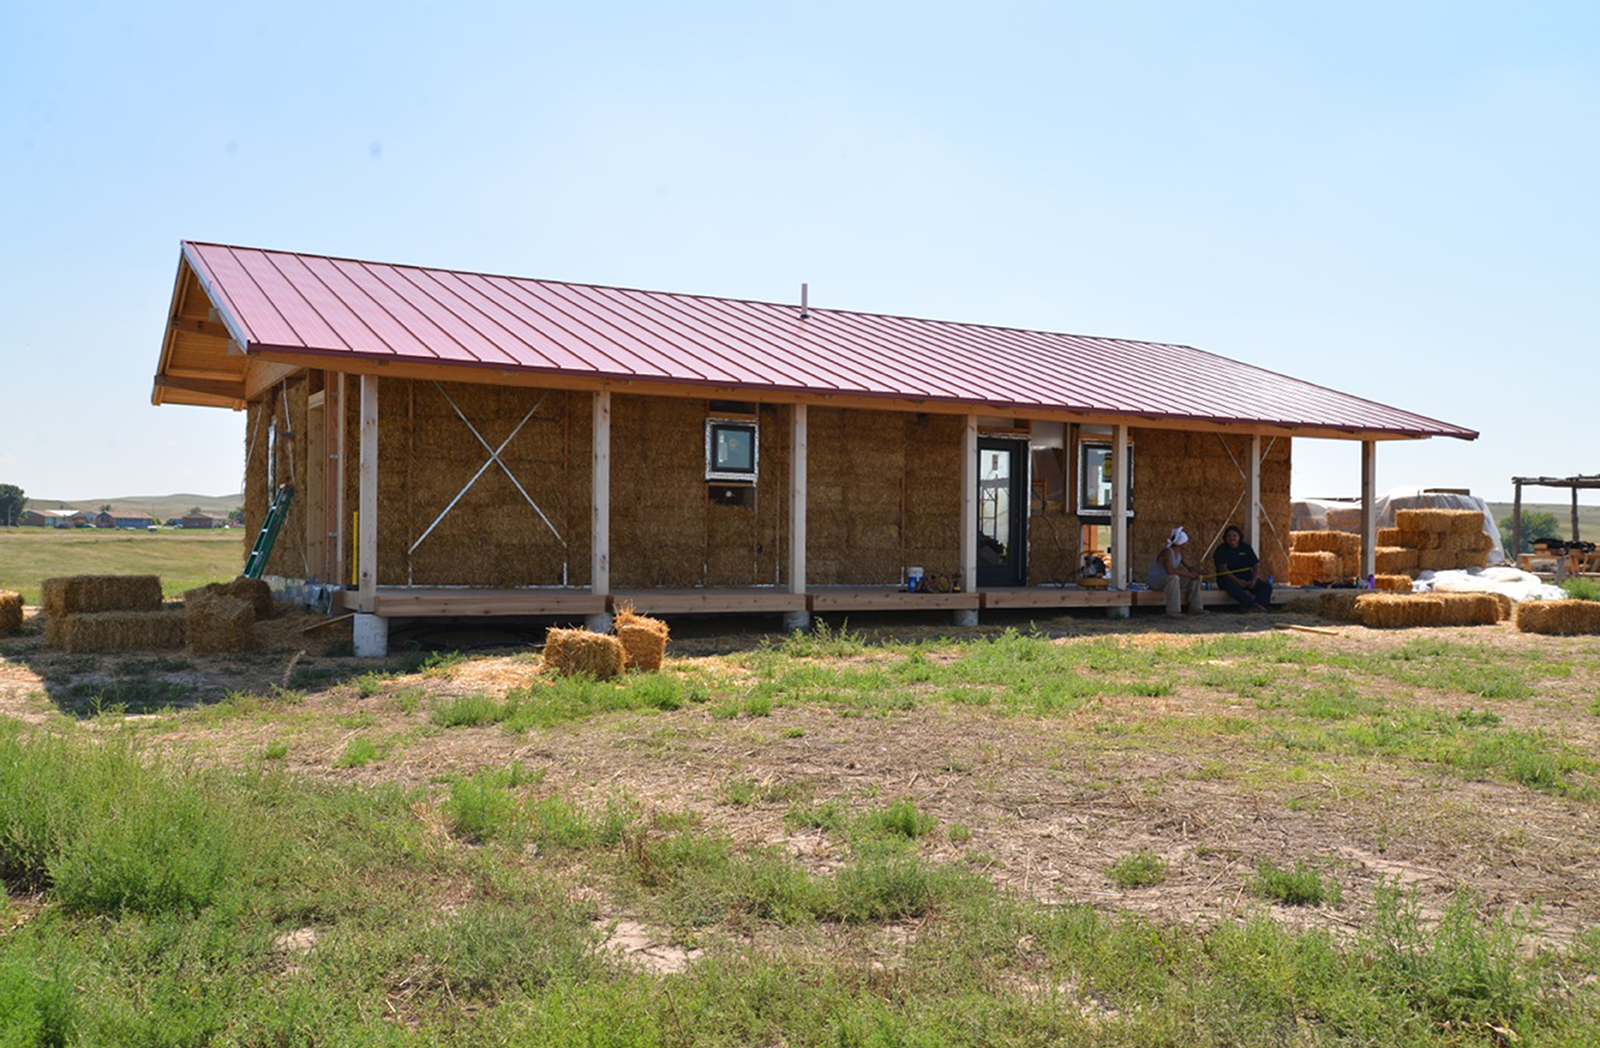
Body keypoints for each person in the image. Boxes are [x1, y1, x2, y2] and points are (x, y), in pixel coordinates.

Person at [1147, 526, 1205, 616]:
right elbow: (1170, 570)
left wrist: (1201, 573)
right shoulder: (1167, 552)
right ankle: (1174, 611)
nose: (1188, 543)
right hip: (1156, 581)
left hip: (1169, 580)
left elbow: (1191, 567)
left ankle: (1196, 608)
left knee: (1194, 579)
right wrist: (1190, 574)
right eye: (1186, 541)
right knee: (1174, 578)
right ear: (1181, 543)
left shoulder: (1181, 553)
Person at [1213, 524, 1272, 612]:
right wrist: (1238, 581)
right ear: (1225, 538)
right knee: (1232, 587)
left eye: (1234, 535)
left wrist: (1254, 580)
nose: (1232, 538)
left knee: (1266, 587)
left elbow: (1256, 565)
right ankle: (1250, 605)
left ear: (1239, 537)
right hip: (1229, 579)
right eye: (1229, 536)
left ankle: (1259, 606)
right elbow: (1223, 569)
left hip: (1246, 578)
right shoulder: (1221, 550)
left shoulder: (1246, 548)